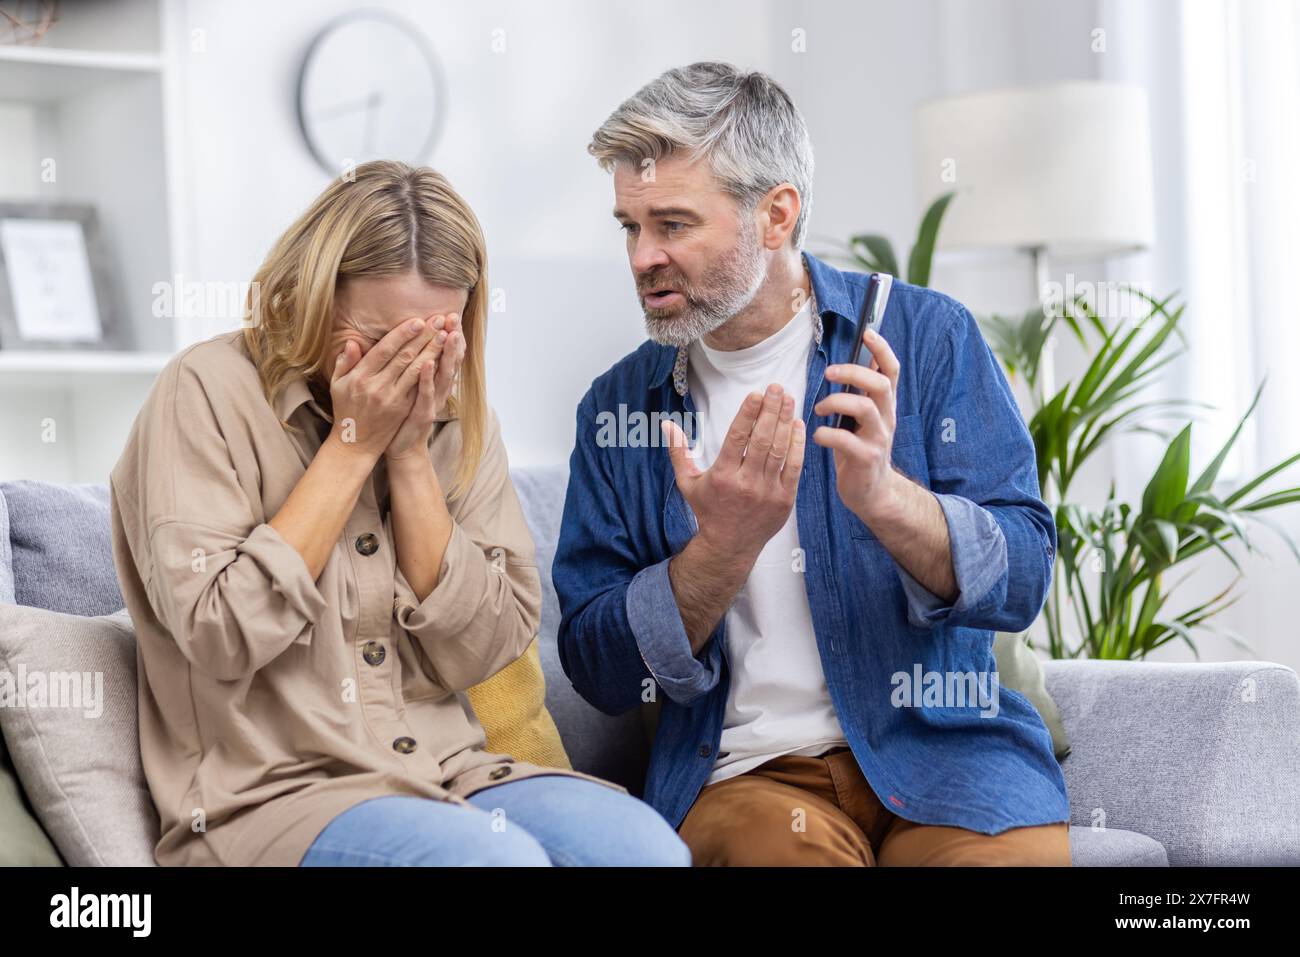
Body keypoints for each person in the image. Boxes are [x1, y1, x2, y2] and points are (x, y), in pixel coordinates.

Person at [553, 63, 1072, 866]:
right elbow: (598, 667)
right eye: (630, 226)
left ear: (776, 214)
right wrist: (718, 551)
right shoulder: (620, 410)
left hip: (950, 761)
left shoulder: (929, 339)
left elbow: (1025, 574)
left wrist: (888, 501)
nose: (642, 257)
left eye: (673, 224)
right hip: (749, 780)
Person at [110, 160, 690, 867]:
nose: (406, 366)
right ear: (310, 296)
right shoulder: (202, 393)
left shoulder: (459, 418)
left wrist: (410, 455)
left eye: (430, 339)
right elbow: (219, 634)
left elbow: (488, 647)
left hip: (450, 774)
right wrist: (353, 448)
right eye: (379, 337)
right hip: (273, 800)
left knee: (643, 849)